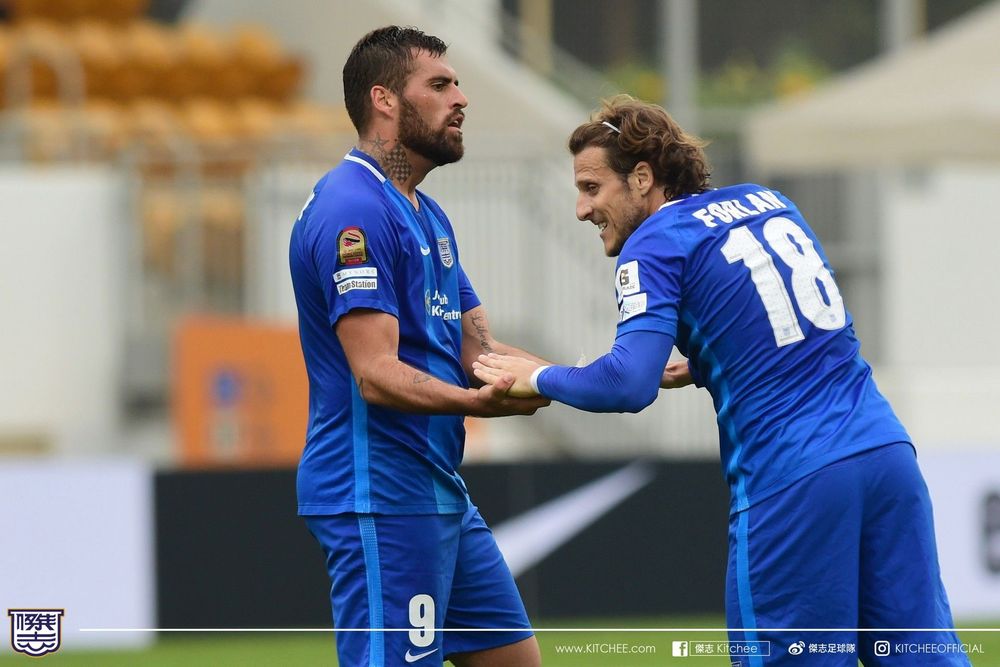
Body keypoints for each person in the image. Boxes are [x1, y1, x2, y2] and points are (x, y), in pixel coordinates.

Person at [474, 95, 968, 666]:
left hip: (794, 478)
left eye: (591, 188)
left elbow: (626, 385)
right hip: (886, 455)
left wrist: (537, 376)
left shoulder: (653, 243)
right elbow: (803, 330)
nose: (580, 209)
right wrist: (713, 362)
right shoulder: (767, 200)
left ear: (641, 178)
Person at [289, 26, 548, 667]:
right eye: (439, 85)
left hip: (437, 490)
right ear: (383, 100)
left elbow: (478, 350)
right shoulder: (355, 209)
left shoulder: (427, 214)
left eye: (457, 83)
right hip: (380, 494)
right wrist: (474, 403)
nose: (461, 98)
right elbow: (375, 373)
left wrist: (620, 373)